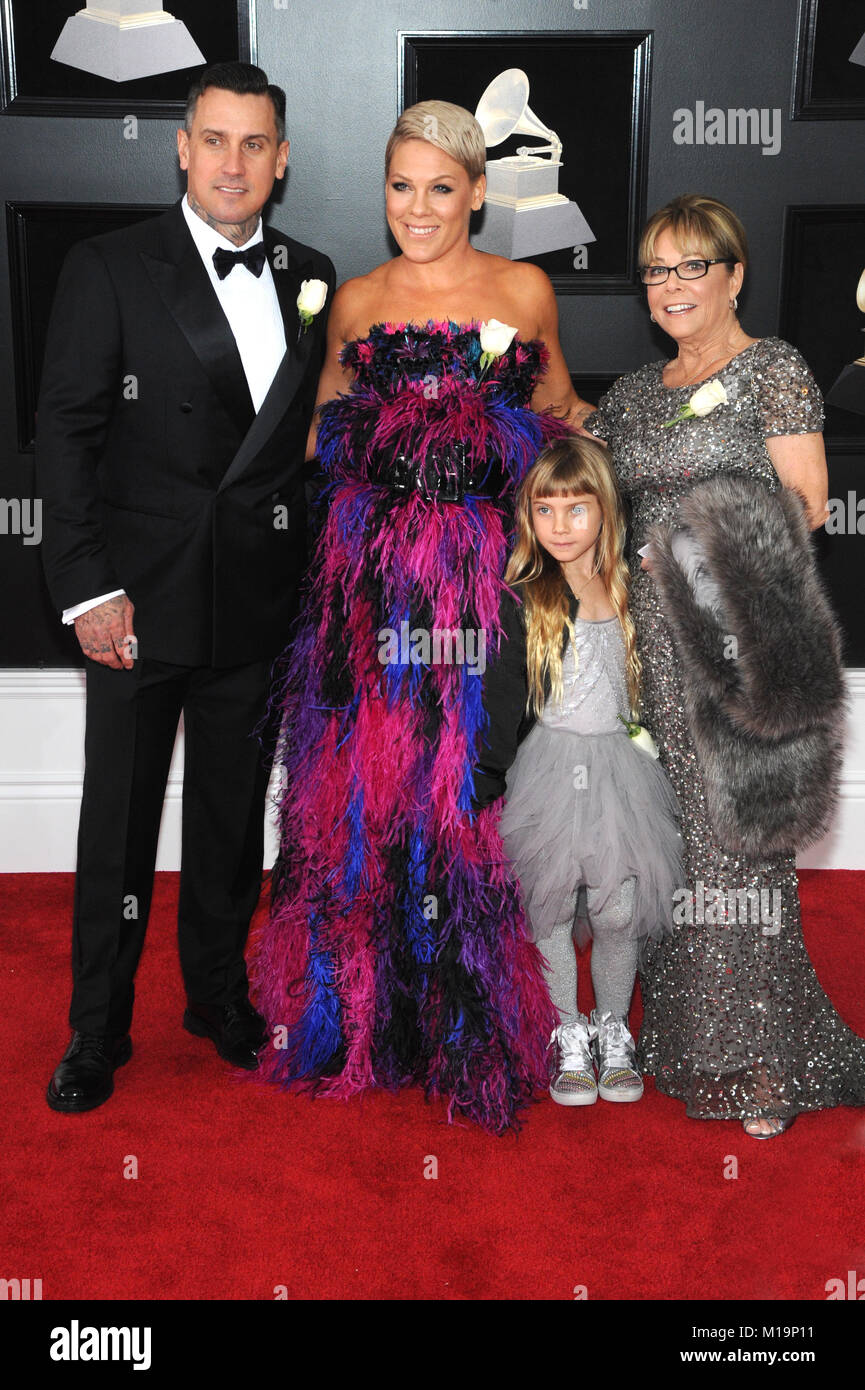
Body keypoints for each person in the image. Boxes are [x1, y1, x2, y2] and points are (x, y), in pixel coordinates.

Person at [250, 100, 594, 1134]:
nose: (418, 207)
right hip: (368, 591)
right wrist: (395, 443)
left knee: (461, 794)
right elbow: (317, 432)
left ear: (479, 191)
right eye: (401, 187)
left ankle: (461, 1024)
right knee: (361, 792)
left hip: (479, 584)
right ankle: (358, 1020)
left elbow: (565, 415)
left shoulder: (523, 288)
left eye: (441, 188)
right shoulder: (355, 300)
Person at [37, 62, 335, 1113]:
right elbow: (66, 434)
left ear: (282, 158)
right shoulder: (109, 265)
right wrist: (86, 589)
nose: (234, 163)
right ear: (181, 145)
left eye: (256, 144)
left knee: (227, 816)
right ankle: (96, 1030)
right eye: (216, 140)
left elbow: (293, 451)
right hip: (136, 603)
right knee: (116, 824)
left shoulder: (313, 272)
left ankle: (215, 996)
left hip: (255, 601)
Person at [583, 193, 865, 1136]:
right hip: (644, 655)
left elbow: (809, 501)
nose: (670, 286)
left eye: (690, 266)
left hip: (739, 641)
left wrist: (700, 548)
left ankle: (761, 1056)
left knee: (741, 842)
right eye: (656, 271)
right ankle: (683, 1035)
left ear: (734, 274)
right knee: (668, 841)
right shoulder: (629, 395)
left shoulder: (773, 371)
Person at [470, 439, 683, 1106]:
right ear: (527, 517)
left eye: (576, 509)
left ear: (606, 511)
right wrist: (480, 782)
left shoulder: (634, 589)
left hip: (621, 771)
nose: (559, 526)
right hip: (547, 770)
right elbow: (499, 700)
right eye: (544, 510)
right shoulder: (521, 596)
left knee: (620, 910)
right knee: (550, 905)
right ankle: (567, 1032)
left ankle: (612, 1027)